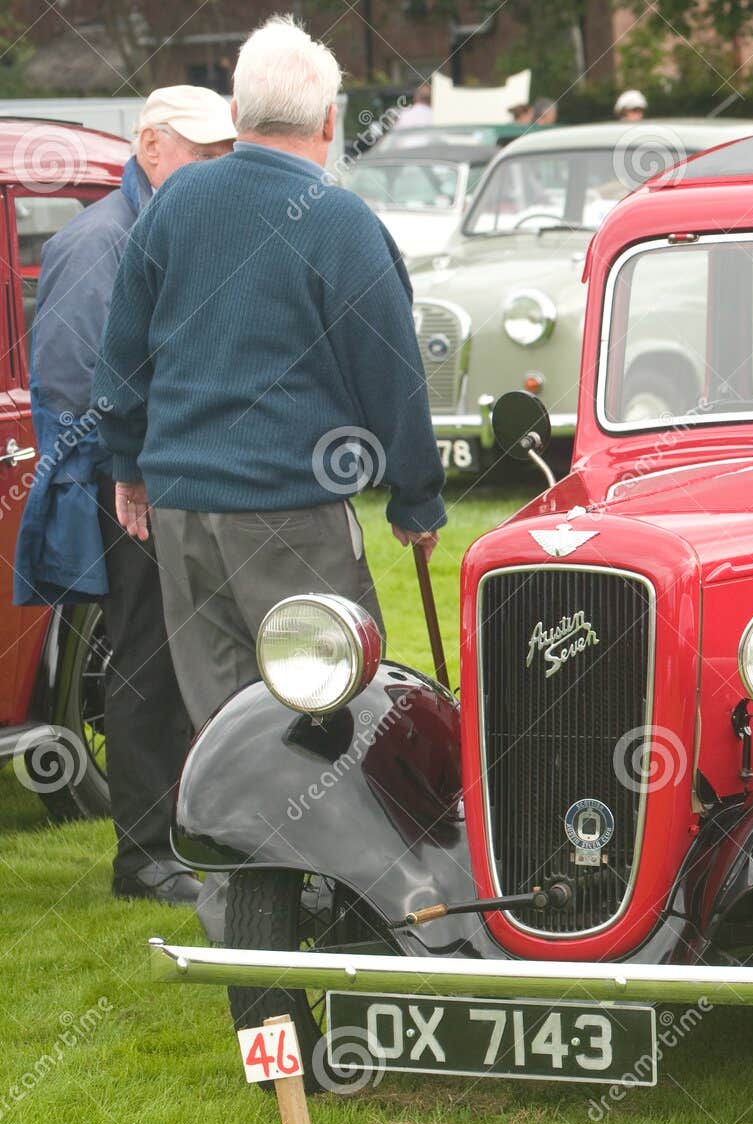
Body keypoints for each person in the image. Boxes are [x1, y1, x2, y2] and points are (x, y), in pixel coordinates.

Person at [91, 15, 446, 735]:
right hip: (290, 509)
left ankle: (242, 818)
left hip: (184, 508)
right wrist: (416, 495)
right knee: (334, 716)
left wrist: (128, 463)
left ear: (237, 111)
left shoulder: (175, 201)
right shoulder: (340, 220)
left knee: (224, 728)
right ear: (328, 121)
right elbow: (392, 372)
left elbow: (122, 350)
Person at [12, 87, 235, 907]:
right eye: (202, 153)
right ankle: (144, 856)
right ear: (150, 147)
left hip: (175, 475)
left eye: (223, 155)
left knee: (193, 657)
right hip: (130, 488)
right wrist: (128, 471)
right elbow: (73, 381)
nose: (215, 169)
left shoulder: (169, 226)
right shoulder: (100, 240)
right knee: (148, 661)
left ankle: (188, 831)